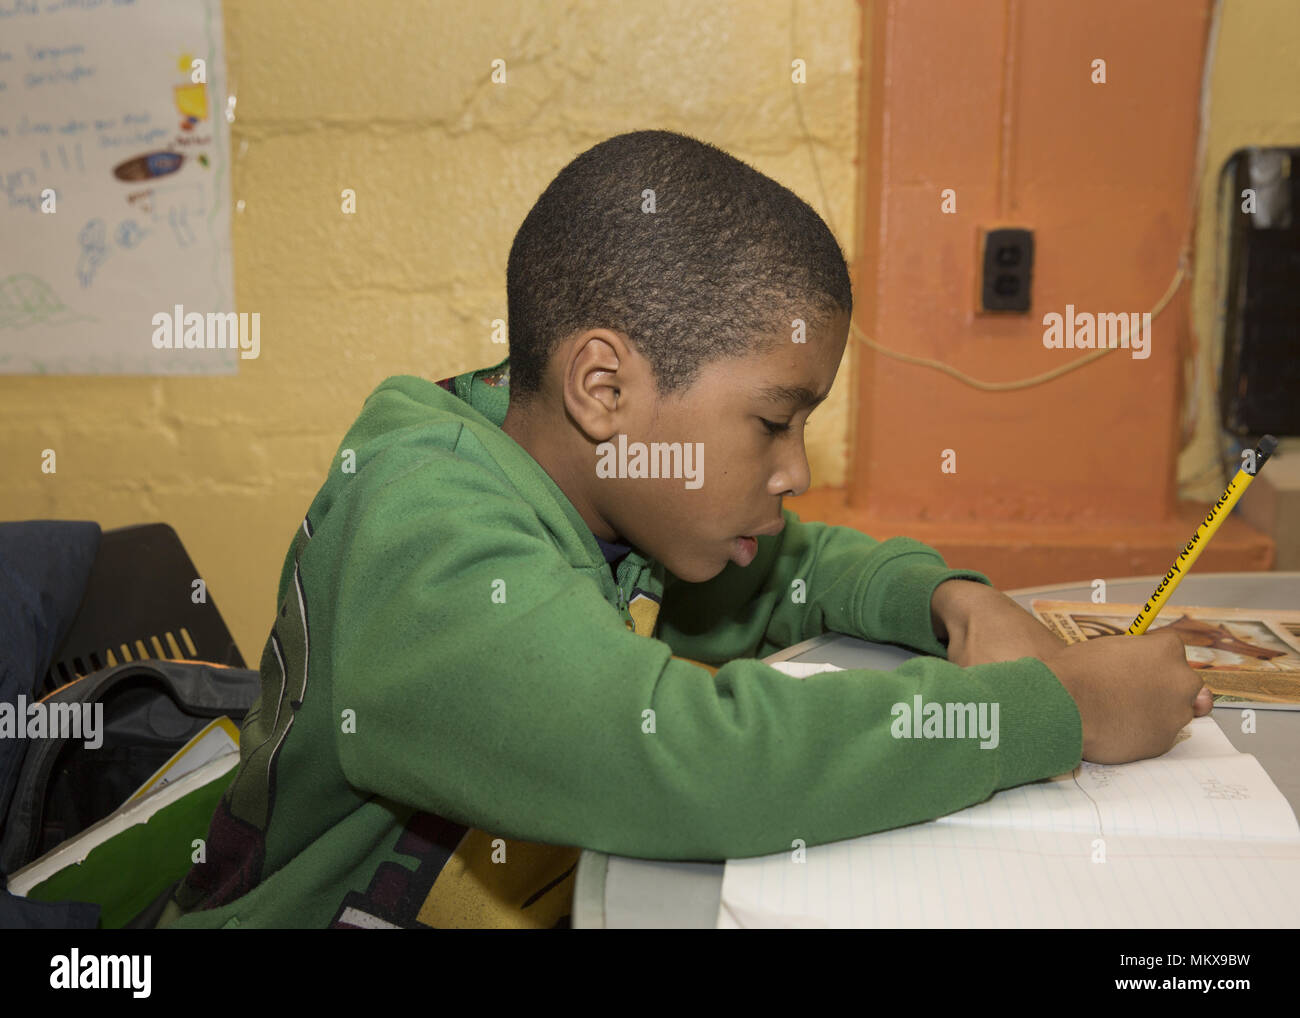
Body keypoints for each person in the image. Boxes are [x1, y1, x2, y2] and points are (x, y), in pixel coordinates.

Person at [158, 129, 1209, 930]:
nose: (795, 469)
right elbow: (686, 760)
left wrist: (951, 598)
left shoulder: (601, 485)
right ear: (605, 387)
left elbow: (796, 568)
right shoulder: (426, 539)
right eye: (772, 421)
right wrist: (1044, 711)